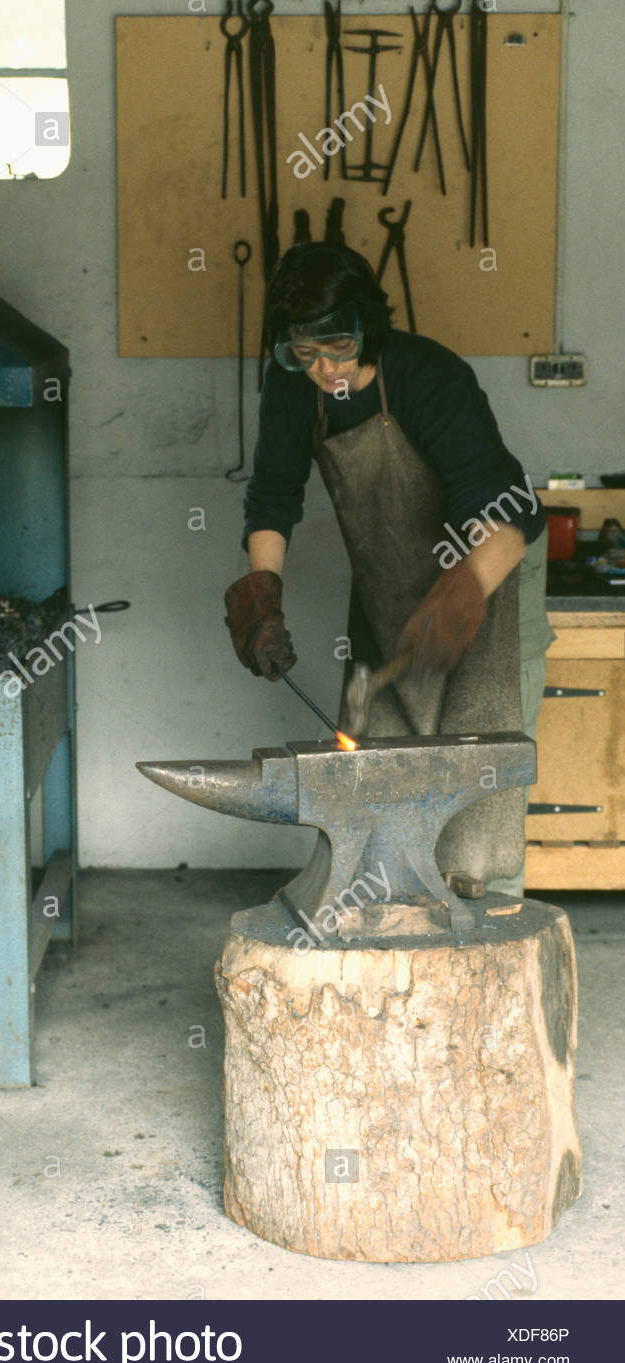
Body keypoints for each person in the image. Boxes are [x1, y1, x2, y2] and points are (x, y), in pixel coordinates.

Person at [223, 242, 554, 896]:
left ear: (366, 325)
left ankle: (483, 948)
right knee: (381, 788)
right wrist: (262, 594)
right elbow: (272, 494)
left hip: (490, 573)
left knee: (475, 799)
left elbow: (502, 506)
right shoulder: (293, 388)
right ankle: (392, 949)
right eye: (302, 352)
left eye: (337, 347)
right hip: (386, 591)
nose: (322, 369)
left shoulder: (429, 377)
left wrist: (461, 592)